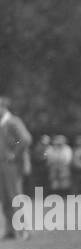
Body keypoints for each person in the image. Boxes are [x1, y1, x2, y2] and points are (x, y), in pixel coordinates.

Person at [0, 96, 32, 239]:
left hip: (11, 165)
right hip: (2, 165)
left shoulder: (13, 122)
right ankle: (10, 230)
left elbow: (25, 139)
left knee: (15, 197)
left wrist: (14, 154)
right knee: (5, 198)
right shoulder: (3, 123)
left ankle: (23, 230)